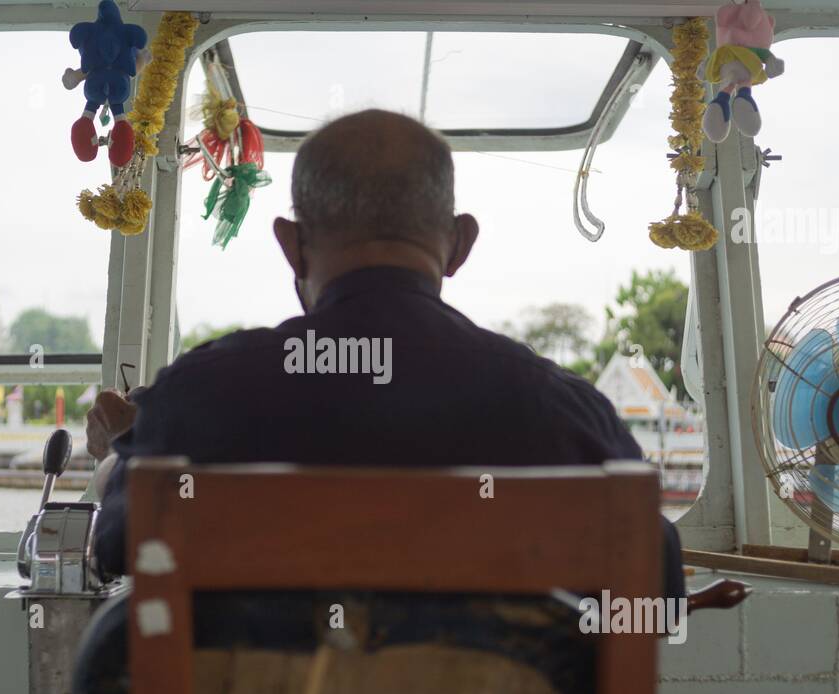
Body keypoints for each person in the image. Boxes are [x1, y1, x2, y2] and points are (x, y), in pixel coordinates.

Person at [85, 108, 684, 601]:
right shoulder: (561, 413)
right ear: (459, 245)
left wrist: (123, 449)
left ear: (292, 248)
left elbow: (112, 545)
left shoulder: (201, 398)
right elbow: (654, 593)